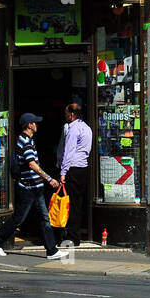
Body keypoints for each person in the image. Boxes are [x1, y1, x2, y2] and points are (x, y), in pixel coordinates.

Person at [0, 113, 68, 259]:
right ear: (29, 125)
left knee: (44, 218)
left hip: (35, 188)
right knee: (18, 219)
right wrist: (49, 178)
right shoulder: (25, 142)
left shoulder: (27, 140)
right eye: (35, 123)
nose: (37, 125)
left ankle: (52, 251)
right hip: (28, 189)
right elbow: (32, 164)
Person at [56, 102, 92, 247]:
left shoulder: (73, 129)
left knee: (68, 203)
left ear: (71, 115)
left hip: (73, 168)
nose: (65, 116)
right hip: (83, 168)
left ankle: (70, 236)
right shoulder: (87, 128)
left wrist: (63, 172)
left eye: (66, 114)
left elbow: (68, 152)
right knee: (77, 203)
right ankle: (75, 236)